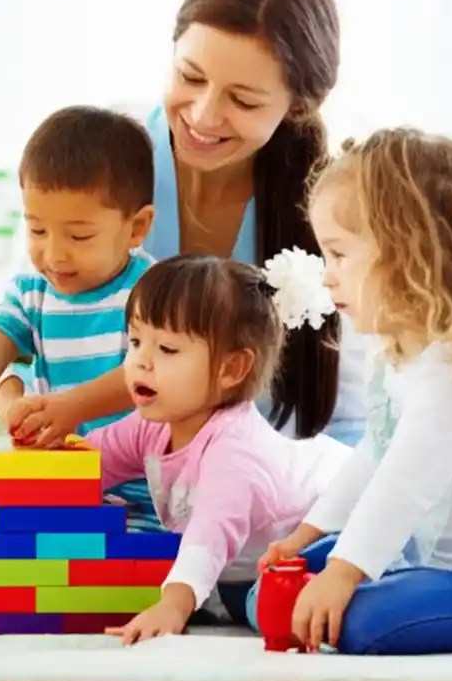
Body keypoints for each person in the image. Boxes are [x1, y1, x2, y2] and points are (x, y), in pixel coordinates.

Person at [0, 0, 367, 530]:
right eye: (190, 77)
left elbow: (346, 426)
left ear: (298, 106)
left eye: (243, 100)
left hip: (247, 520)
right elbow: (12, 333)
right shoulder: (107, 156)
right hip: (88, 494)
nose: (204, 114)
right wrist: (16, 410)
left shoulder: (325, 210)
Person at [255, 127, 452, 656]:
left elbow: (405, 482)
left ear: (408, 254)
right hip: (428, 562)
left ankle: (363, 590)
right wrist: (307, 538)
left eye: (339, 254)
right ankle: (352, 583)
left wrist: (344, 571)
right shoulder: (402, 355)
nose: (327, 278)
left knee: (358, 622)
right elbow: (373, 456)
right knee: (280, 588)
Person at [85, 253, 343, 645]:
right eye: (136, 342)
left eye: (167, 349)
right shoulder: (152, 425)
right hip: (251, 571)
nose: (140, 362)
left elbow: (208, 535)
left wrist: (174, 604)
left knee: (275, 611)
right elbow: (87, 463)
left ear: (231, 369)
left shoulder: (235, 452)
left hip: (337, 519)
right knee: (249, 600)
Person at [0, 106, 155, 511]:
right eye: (37, 230)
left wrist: (73, 407)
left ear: (136, 227)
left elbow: (153, 374)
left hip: (142, 498)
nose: (54, 254)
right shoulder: (31, 294)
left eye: (79, 236)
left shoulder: (156, 291)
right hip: (56, 491)